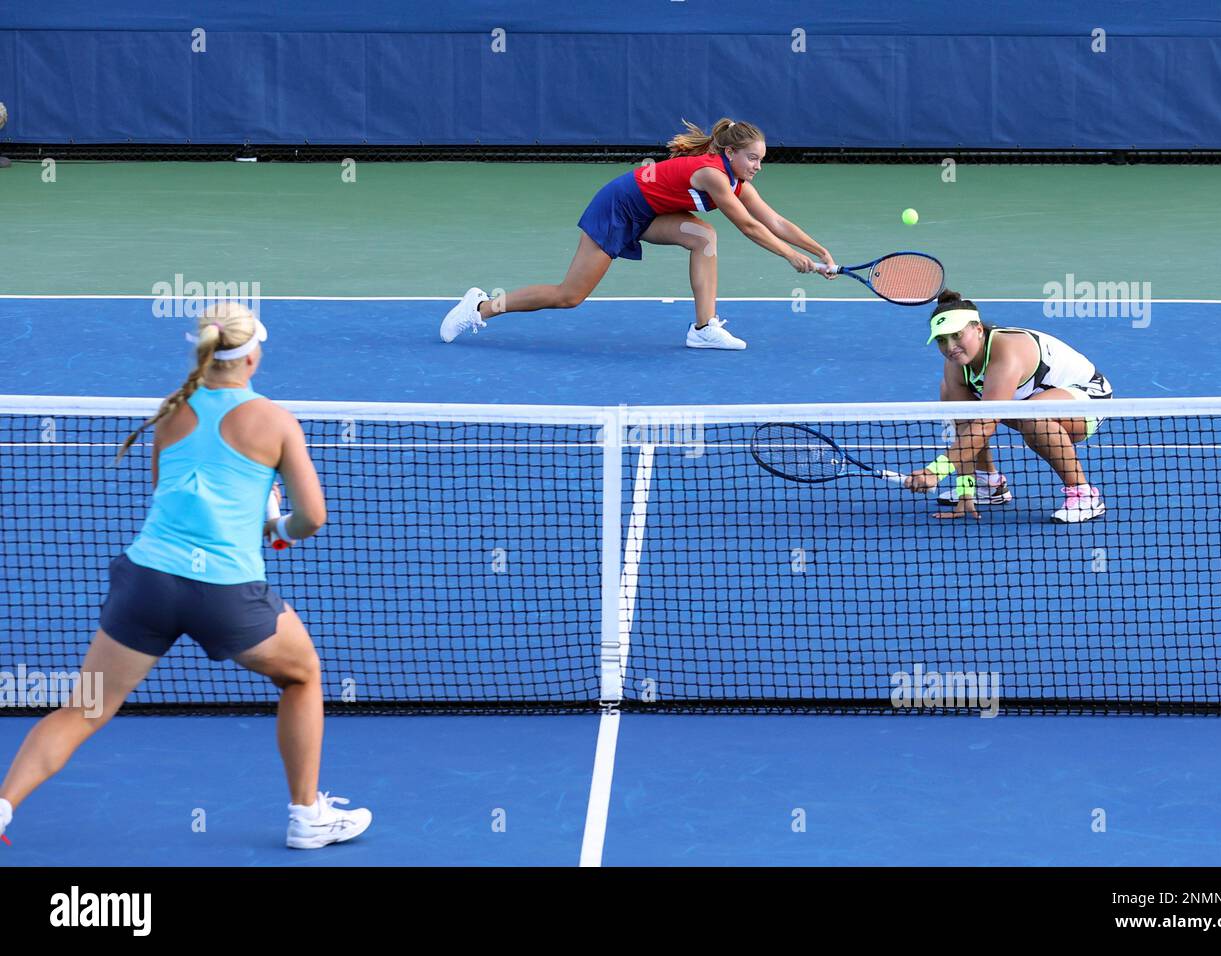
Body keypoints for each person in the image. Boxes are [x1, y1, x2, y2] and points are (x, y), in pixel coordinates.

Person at [0, 303, 371, 849]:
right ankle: (306, 816)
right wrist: (276, 525)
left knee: (83, 708)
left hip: (147, 582)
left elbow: (170, 496)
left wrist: (253, 514)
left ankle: (2, 807)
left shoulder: (173, 411)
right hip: (224, 593)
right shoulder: (274, 419)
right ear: (253, 356)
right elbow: (312, 518)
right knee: (302, 676)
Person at [439, 117, 838, 350]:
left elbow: (775, 221)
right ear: (730, 154)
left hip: (647, 212)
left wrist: (820, 253)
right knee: (569, 296)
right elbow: (749, 226)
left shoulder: (737, 180)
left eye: (761, 161)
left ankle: (704, 329)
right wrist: (789, 256)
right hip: (616, 209)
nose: (757, 166)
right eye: (752, 158)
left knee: (704, 237)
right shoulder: (713, 175)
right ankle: (479, 307)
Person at [904, 290, 1113, 523]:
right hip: (1031, 401)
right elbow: (966, 424)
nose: (950, 346)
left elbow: (985, 424)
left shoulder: (1007, 354)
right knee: (953, 395)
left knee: (1033, 416)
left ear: (978, 330)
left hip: (1088, 399)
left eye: (957, 335)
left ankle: (1084, 496)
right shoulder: (955, 366)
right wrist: (966, 489)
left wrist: (936, 471)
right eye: (942, 340)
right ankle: (987, 484)